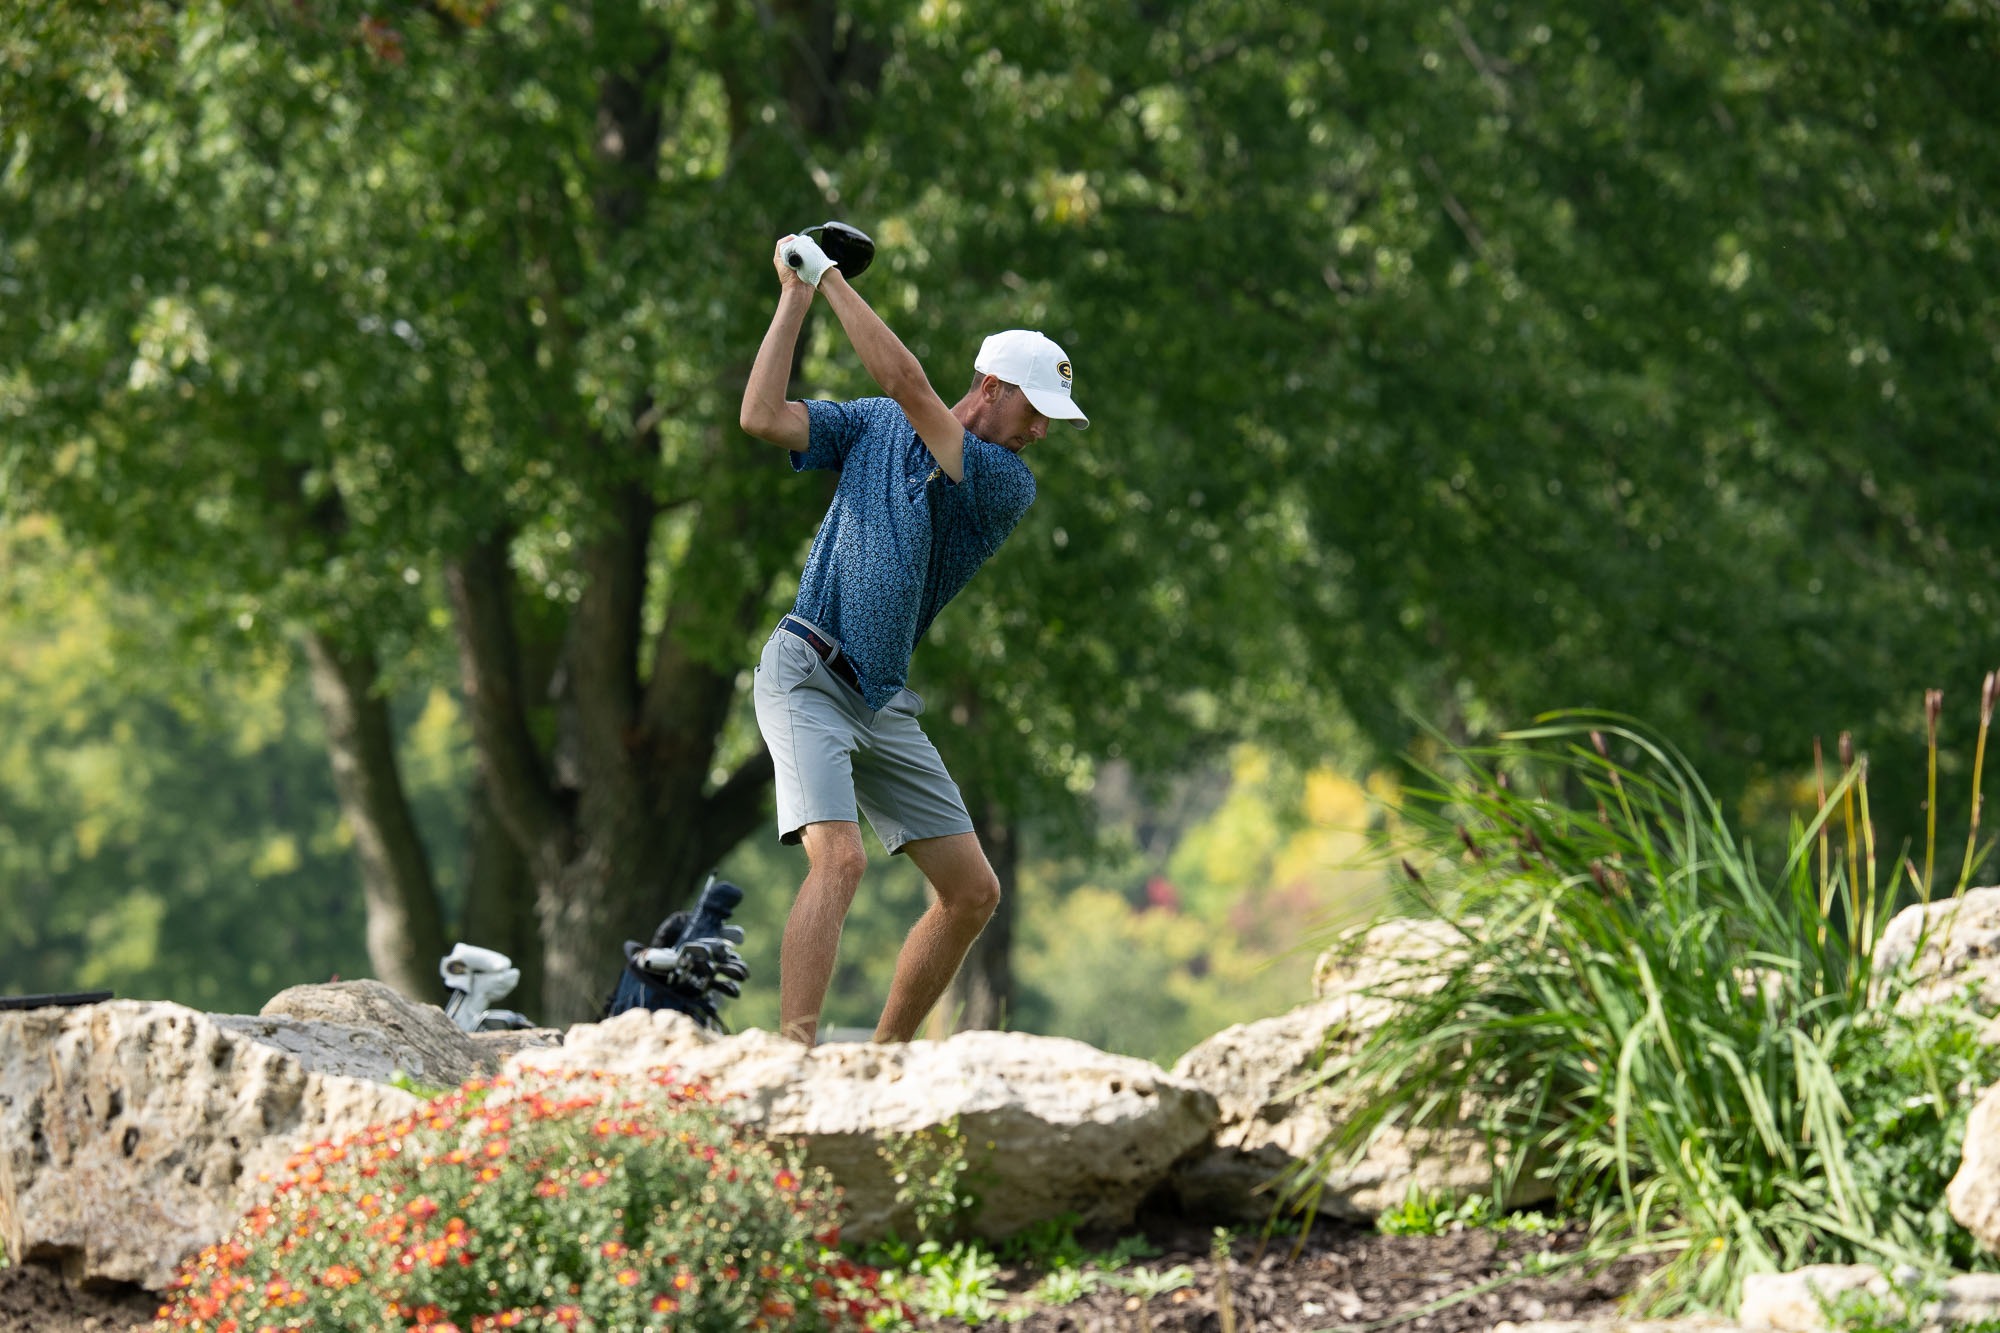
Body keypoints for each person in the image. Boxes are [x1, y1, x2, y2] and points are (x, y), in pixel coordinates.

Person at [738, 230, 1088, 1045]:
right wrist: (795, 295)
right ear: (992, 388)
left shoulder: (1003, 481)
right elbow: (760, 415)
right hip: (805, 673)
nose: (1041, 430)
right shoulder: (871, 425)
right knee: (841, 858)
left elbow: (906, 381)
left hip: (880, 698)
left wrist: (828, 274)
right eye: (1036, 410)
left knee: (974, 893)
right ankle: (793, 1058)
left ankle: (882, 1061)